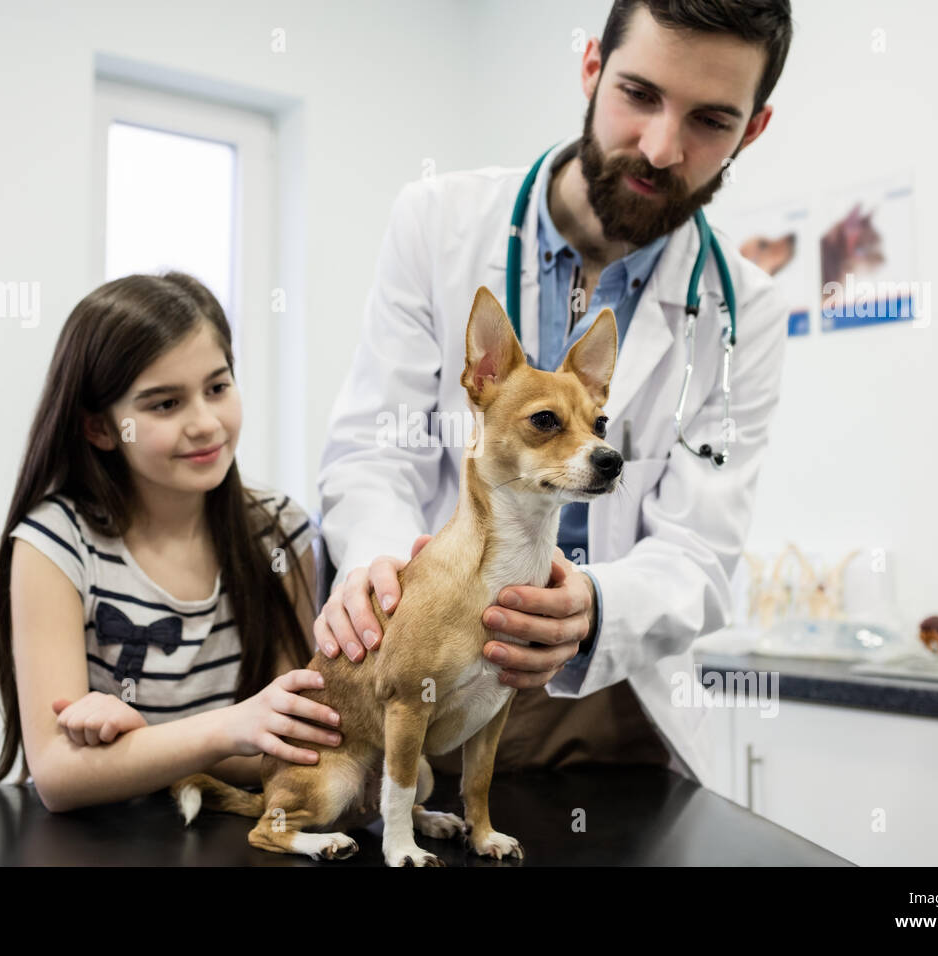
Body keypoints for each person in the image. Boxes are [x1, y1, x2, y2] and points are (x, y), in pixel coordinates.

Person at [314, 0, 795, 788]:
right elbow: (376, 446)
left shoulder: (748, 311)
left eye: (710, 120)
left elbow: (700, 550)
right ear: (591, 68)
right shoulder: (437, 222)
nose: (661, 146)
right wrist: (377, 562)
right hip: (432, 658)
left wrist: (594, 612)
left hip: (613, 702)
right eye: (639, 94)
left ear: (755, 127)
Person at [0, 272, 344, 812]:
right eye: (165, 404)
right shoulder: (54, 544)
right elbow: (58, 774)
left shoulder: (280, 532)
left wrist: (142, 739)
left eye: (217, 388)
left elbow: (292, 736)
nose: (204, 423)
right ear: (100, 429)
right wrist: (230, 728)